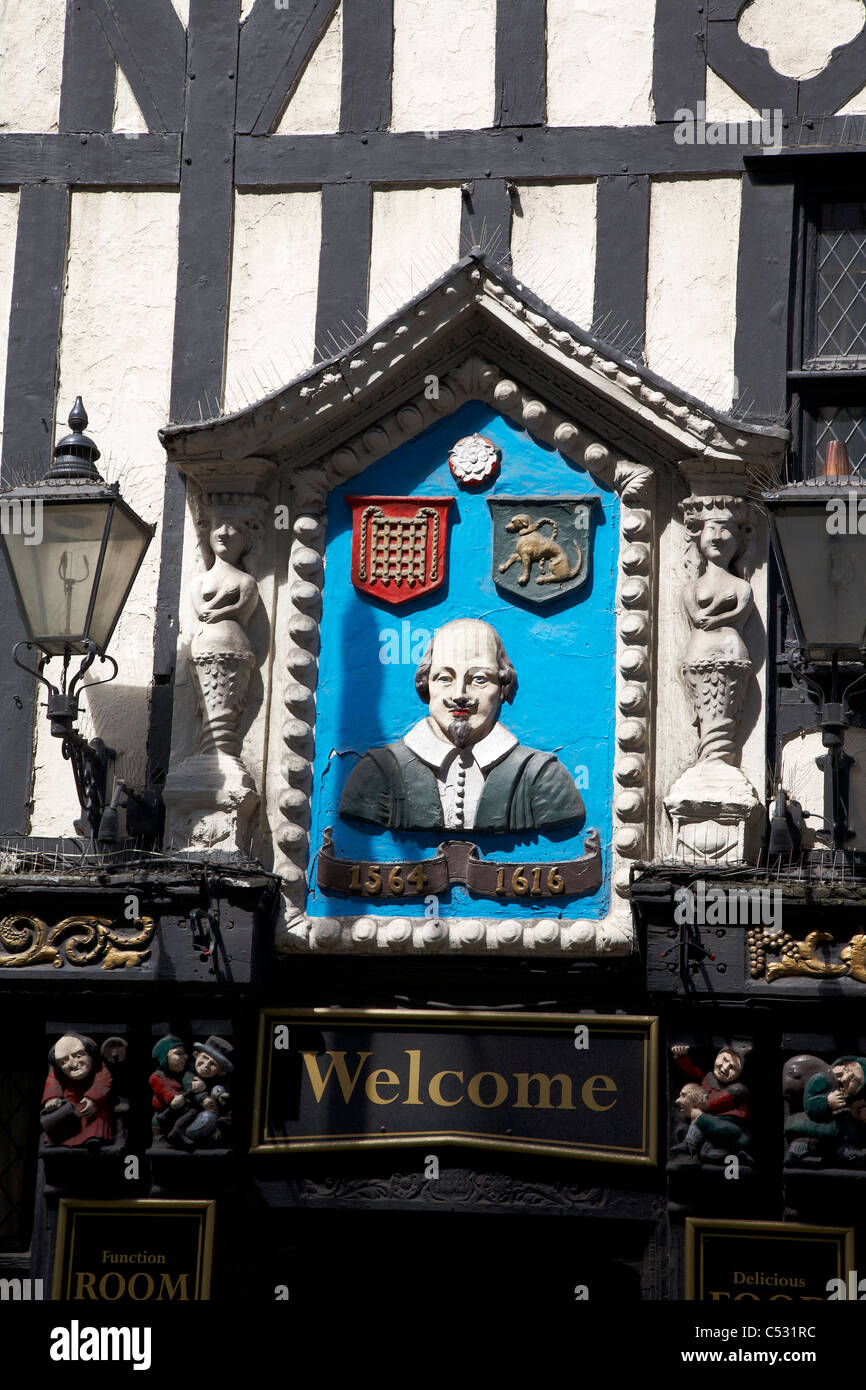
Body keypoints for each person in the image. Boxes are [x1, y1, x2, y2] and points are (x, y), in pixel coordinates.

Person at [339, 618, 585, 833]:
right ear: (426, 685)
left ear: (502, 688)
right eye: (444, 678)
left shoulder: (542, 776)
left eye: (479, 679)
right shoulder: (377, 773)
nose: (459, 695)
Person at [671, 1043, 752, 1162]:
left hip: (727, 1127)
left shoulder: (738, 1089)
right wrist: (681, 1056)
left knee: (699, 1117)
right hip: (710, 1132)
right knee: (705, 1153)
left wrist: (691, 1105)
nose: (725, 1068)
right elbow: (693, 1071)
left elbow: (712, 1105)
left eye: (732, 1068)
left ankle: (692, 1143)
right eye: (724, 1060)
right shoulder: (709, 1078)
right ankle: (731, 1155)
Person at [41, 1033, 115, 1150]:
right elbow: (52, 1082)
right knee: (60, 1116)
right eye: (64, 1061)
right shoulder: (57, 1073)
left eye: (79, 1056)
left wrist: (92, 1098)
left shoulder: (99, 1068)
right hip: (70, 1102)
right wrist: (52, 1098)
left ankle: (94, 1137)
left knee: (96, 1115)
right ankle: (57, 1139)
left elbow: (103, 1082)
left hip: (92, 1103)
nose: (74, 1064)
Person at [165, 1035, 233, 1151]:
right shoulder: (189, 1074)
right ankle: (177, 1132)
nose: (206, 1065)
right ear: (196, 1055)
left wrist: (221, 1096)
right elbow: (191, 1087)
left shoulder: (218, 1081)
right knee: (192, 1112)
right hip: (187, 1107)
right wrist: (203, 1098)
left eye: (213, 1064)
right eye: (205, 1058)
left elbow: (221, 1090)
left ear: (220, 1071)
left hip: (208, 1114)